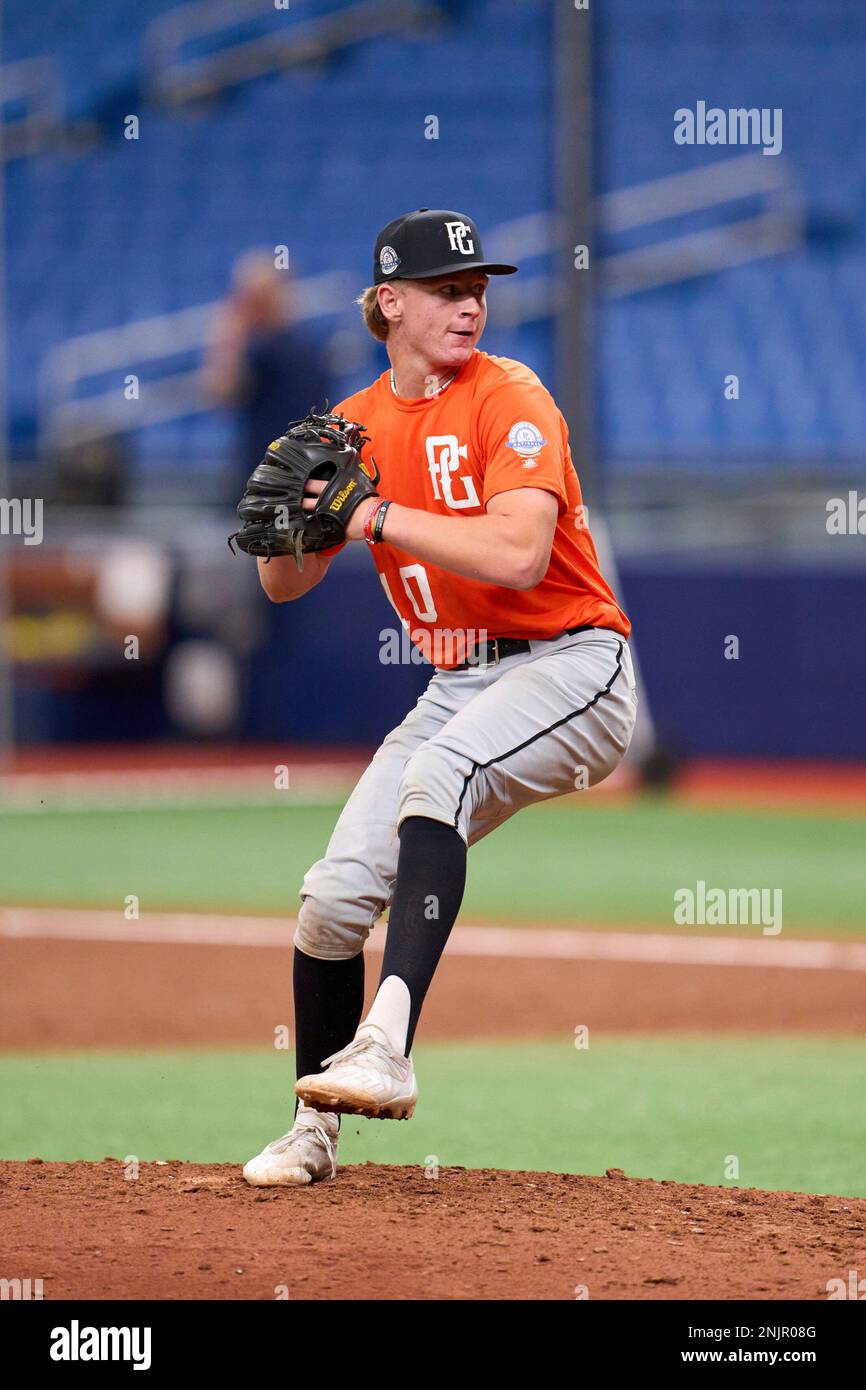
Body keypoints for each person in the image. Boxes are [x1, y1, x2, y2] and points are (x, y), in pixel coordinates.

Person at [242, 209, 637, 1186]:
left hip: (575, 666)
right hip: (458, 676)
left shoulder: (511, 395)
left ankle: (387, 1040)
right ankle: (312, 1129)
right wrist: (293, 528)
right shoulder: (352, 425)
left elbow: (517, 554)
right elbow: (281, 587)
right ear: (389, 303)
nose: (471, 302)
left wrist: (369, 512)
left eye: (477, 286)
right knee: (331, 899)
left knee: (441, 769)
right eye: (446, 288)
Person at [203, 251, 331, 491]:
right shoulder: (264, 349)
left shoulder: (300, 349)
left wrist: (229, 334)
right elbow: (220, 396)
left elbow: (220, 392)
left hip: (292, 474)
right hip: (269, 471)